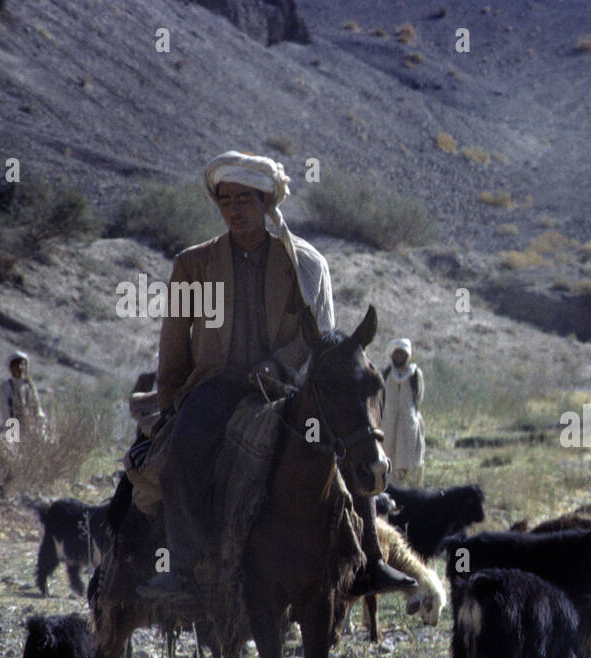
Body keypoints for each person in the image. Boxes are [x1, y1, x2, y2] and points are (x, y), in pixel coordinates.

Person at [139, 150, 409, 601]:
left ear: (266, 201)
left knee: (349, 439)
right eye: (225, 201)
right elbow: (174, 340)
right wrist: (170, 400)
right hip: (217, 385)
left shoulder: (305, 263)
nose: (233, 209)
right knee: (183, 448)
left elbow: (321, 338)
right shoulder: (194, 265)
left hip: (289, 385)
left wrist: (278, 363)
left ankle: (370, 563)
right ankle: (184, 569)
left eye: (243, 199)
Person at [380, 337, 426, 488]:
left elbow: (418, 397)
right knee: (387, 457)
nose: (399, 357)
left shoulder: (414, 374)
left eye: (402, 354)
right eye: (396, 354)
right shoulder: (386, 373)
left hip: (408, 425)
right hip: (388, 424)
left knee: (407, 459)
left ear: (407, 355)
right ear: (392, 355)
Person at [0, 351, 46, 435]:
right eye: (17, 365)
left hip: (31, 425)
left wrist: (40, 423)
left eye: (23, 365)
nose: (20, 368)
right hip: (14, 426)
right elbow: (5, 409)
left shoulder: (29, 385)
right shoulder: (6, 386)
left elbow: (37, 406)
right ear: (11, 368)